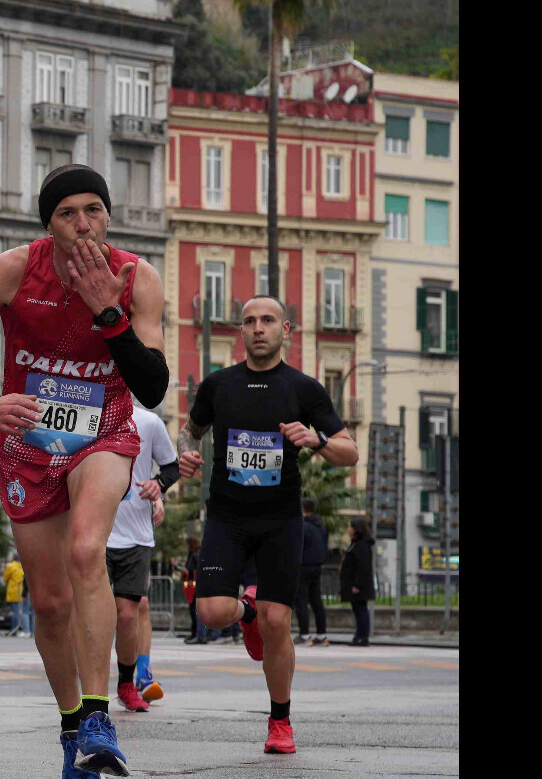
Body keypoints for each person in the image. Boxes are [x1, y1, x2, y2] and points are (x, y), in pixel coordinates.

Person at [0, 163, 169, 777]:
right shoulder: (15, 269)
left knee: (89, 550)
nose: (83, 223)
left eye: (94, 209)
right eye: (68, 213)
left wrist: (107, 313)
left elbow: (153, 387)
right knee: (52, 601)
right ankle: (72, 726)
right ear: (50, 225)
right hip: (29, 445)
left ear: (108, 215)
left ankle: (97, 715)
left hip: (104, 435)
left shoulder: (137, 278)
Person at [183, 294, 359, 755]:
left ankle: (280, 722)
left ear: (287, 330)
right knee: (212, 613)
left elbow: (349, 451)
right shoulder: (218, 385)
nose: (258, 328)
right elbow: (190, 430)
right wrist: (183, 451)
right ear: (240, 332)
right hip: (226, 515)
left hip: (281, 520)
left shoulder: (303, 389)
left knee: (279, 621)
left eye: (267, 320)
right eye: (249, 321)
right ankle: (247, 613)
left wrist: (316, 438)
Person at [107, 406, 179, 712]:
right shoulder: (92, 411)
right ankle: (87, 692)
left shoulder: (148, 421)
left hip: (135, 535)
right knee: (88, 614)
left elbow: (171, 468)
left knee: (128, 615)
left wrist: (158, 487)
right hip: (95, 530)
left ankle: (127, 682)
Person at [295, 499, 329, 647]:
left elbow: (297, 547)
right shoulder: (321, 527)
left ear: (302, 509)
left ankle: (304, 634)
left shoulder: (303, 526)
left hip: (303, 567)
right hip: (317, 566)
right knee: (316, 601)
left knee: (301, 601)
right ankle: (321, 635)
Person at [340, 518, 376, 647]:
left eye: (350, 527)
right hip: (354, 583)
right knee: (358, 610)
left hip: (359, 585)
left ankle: (363, 636)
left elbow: (363, 567)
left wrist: (357, 585)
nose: (348, 529)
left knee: (361, 610)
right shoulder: (356, 543)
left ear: (356, 529)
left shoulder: (362, 545)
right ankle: (359, 635)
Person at [2, 556, 26, 636]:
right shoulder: (22, 567)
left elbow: (5, 578)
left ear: (13, 558)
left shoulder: (10, 566)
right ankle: (19, 628)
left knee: (15, 611)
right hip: (21, 591)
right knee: (19, 611)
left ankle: (14, 629)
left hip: (13, 590)